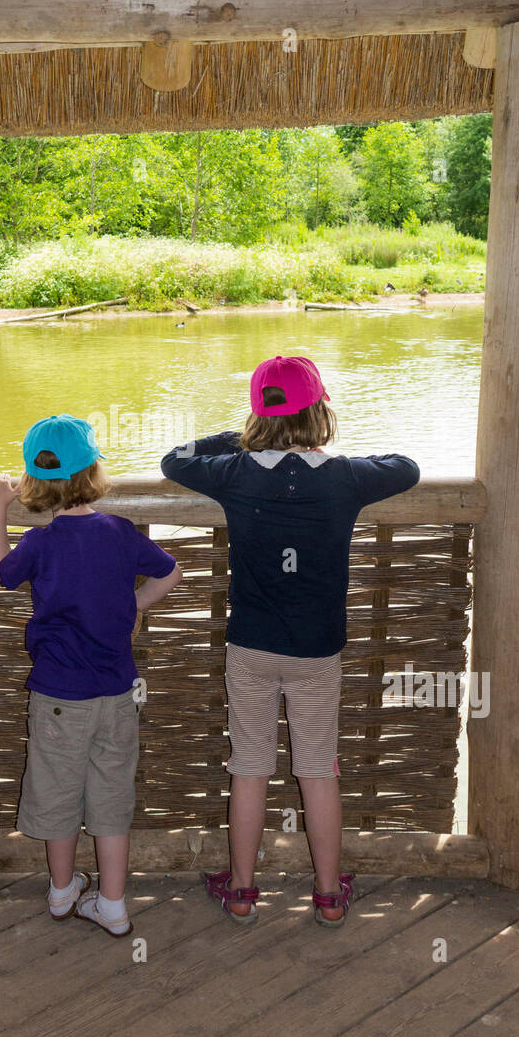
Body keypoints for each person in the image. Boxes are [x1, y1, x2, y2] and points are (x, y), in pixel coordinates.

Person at [161, 357, 419, 927]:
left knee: (249, 766)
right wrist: (331, 449)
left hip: (251, 643)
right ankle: (328, 896)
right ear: (321, 410)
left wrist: (241, 435)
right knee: (318, 768)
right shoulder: (346, 476)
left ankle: (243, 891)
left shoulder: (234, 472)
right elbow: (406, 467)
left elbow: (173, 459)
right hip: (317, 648)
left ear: (256, 418)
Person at [0, 413, 182, 937]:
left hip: (56, 697)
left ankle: (61, 891)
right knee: (111, 799)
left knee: (58, 793)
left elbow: (2, 572)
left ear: (33, 480)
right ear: (94, 471)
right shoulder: (119, 533)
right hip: (117, 695)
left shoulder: (41, 543)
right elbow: (170, 570)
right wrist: (134, 605)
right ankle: (113, 906)